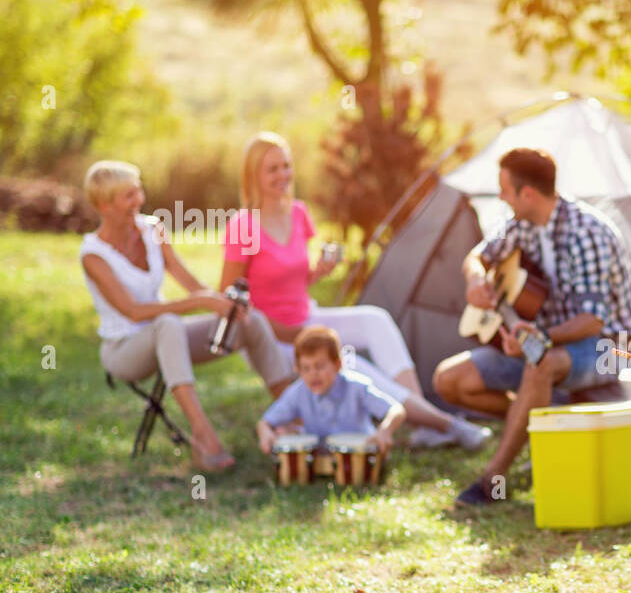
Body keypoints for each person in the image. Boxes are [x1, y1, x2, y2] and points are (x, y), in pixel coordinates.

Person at [221, 132, 489, 451]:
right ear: (254, 176)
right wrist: (287, 332)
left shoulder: (297, 213)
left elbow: (286, 281)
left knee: (375, 319)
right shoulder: (243, 226)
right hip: (274, 338)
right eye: (272, 169)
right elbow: (230, 295)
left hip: (308, 319)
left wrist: (316, 272)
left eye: (286, 166)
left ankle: (422, 418)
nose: (283, 175)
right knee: (348, 365)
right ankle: (448, 424)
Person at [434, 148, 631, 506]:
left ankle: (492, 480)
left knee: (540, 363)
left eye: (505, 190)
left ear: (527, 194)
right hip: (544, 347)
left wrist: (540, 338)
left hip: (603, 348)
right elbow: (478, 256)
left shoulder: (586, 232)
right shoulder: (521, 225)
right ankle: (541, 415)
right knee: (448, 380)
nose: (500, 197)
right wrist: (476, 279)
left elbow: (593, 321)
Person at [80, 160, 294, 472]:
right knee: (167, 323)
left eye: (138, 190)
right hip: (124, 351)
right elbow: (134, 312)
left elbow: (191, 283)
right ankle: (204, 437)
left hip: (169, 341)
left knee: (252, 321)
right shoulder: (92, 255)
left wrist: (225, 303)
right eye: (128, 196)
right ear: (103, 204)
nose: (138, 200)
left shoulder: (152, 230)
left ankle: (295, 417)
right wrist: (197, 302)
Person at [257, 326, 404, 458]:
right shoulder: (298, 392)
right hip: (319, 461)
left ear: (338, 364)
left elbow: (397, 410)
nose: (313, 374)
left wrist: (385, 430)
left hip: (360, 458)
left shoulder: (356, 386)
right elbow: (265, 422)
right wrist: (265, 432)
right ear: (298, 369)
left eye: (320, 366)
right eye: (306, 368)